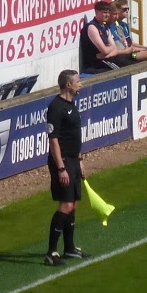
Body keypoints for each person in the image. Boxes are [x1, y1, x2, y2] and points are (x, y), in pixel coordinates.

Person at [44, 69, 85, 266]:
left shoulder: (71, 104)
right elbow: (53, 140)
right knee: (66, 205)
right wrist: (61, 168)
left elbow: (73, 135)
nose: (81, 84)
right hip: (63, 162)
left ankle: (69, 248)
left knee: (74, 204)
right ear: (68, 85)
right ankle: (51, 252)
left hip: (73, 160)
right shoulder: (56, 108)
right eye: (78, 81)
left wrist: (79, 159)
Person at [78, 1, 124, 74]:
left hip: (106, 59)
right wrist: (110, 48)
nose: (107, 15)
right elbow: (104, 50)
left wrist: (106, 54)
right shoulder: (92, 27)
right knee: (122, 70)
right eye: (104, 12)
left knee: (129, 62)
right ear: (96, 12)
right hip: (95, 65)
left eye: (108, 12)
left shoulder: (105, 27)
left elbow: (115, 48)